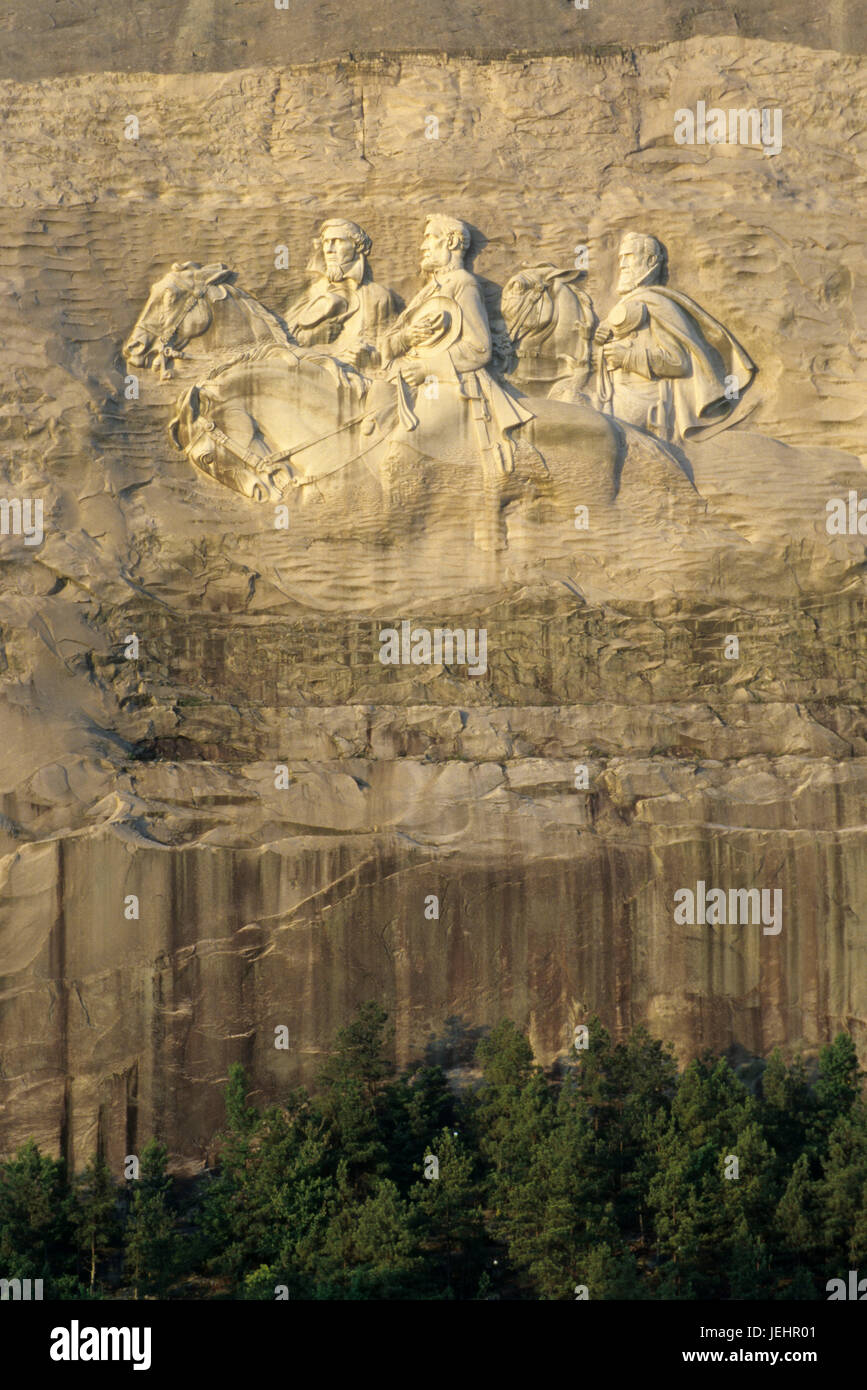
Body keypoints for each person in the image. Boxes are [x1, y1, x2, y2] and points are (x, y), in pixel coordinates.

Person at [380, 214, 534, 474]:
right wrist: (408, 337)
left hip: (453, 385)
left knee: (400, 452)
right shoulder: (429, 289)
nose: (422, 246)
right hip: (408, 380)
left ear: (451, 243)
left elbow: (479, 348)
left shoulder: (464, 283)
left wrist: (428, 368)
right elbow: (390, 343)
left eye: (430, 237)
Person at [594, 232, 756, 442]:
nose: (623, 264)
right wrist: (601, 340)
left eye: (630, 256)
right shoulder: (626, 304)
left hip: (643, 403)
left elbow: (679, 363)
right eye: (621, 259)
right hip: (613, 395)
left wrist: (628, 358)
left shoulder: (657, 303)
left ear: (651, 261)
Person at [285, 218, 402, 368]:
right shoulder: (312, 290)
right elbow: (286, 340)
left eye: (337, 241)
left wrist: (370, 358)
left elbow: (390, 351)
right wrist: (316, 335)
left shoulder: (377, 295)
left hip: (356, 375)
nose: (329, 249)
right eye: (326, 242)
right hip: (313, 370)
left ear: (357, 246)